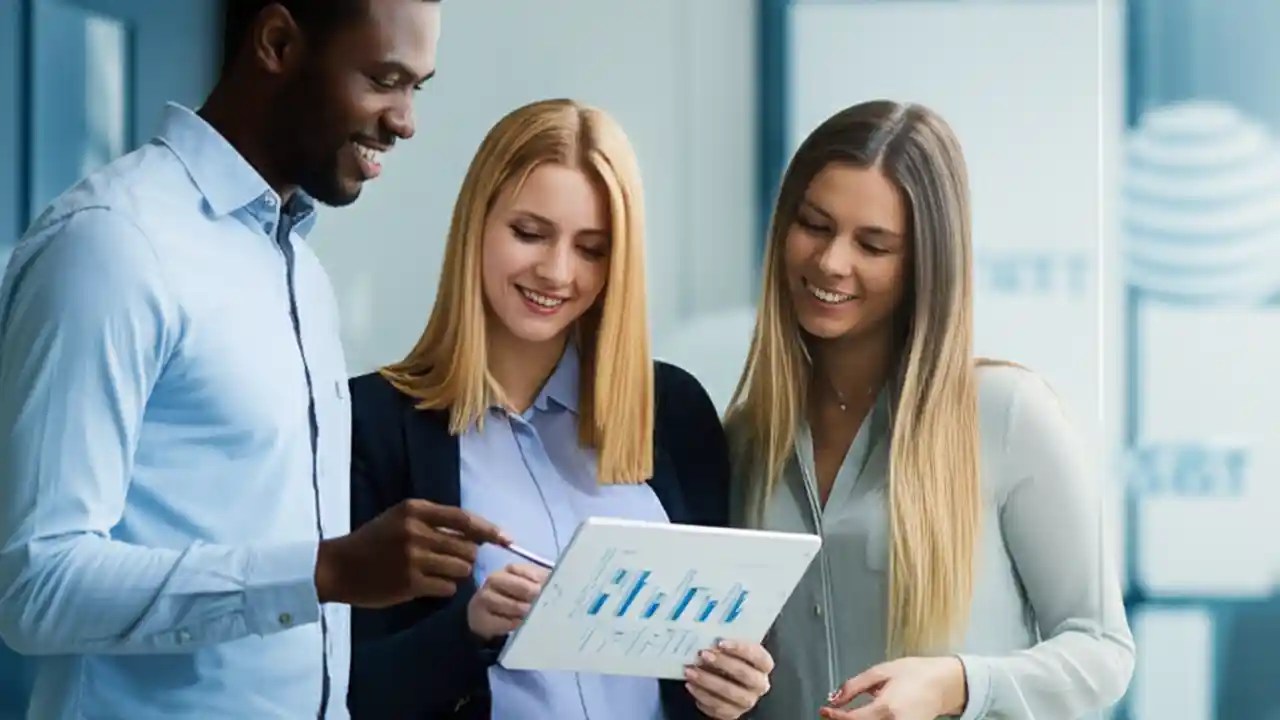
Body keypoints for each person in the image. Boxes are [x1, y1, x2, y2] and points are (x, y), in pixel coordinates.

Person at [0, 2, 509, 718]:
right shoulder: (111, 245)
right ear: (277, 43)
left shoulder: (301, 268)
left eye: (415, 87)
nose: (405, 121)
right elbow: (36, 585)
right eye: (383, 78)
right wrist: (321, 570)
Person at [346, 98, 775, 719]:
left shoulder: (674, 412)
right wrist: (467, 632)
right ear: (477, 224)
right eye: (529, 233)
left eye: (592, 248)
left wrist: (733, 695)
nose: (556, 271)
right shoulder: (372, 424)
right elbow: (340, 687)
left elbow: (705, 661)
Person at [724, 100, 1136, 720]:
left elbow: (1103, 652)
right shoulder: (746, 440)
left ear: (924, 265)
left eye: (874, 244)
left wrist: (956, 683)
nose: (832, 261)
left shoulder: (1007, 415)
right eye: (814, 224)